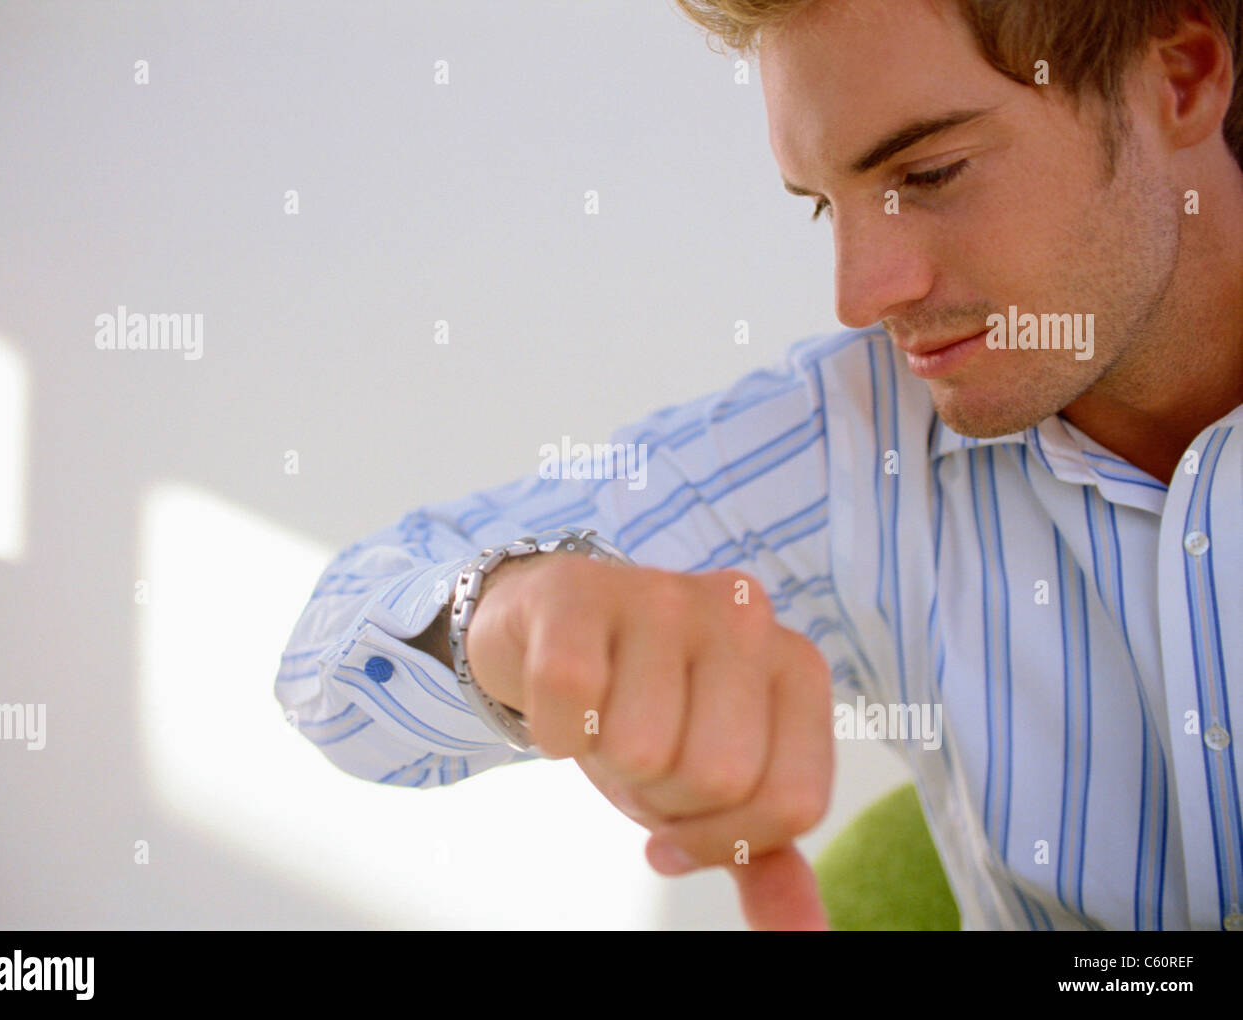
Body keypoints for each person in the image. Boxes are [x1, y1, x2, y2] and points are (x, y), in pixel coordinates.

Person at [275, 0, 1243, 930]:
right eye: (827, 207)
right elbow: (328, 660)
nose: (861, 295)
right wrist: (512, 616)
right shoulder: (855, 440)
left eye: (933, 171)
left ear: (1180, 76)